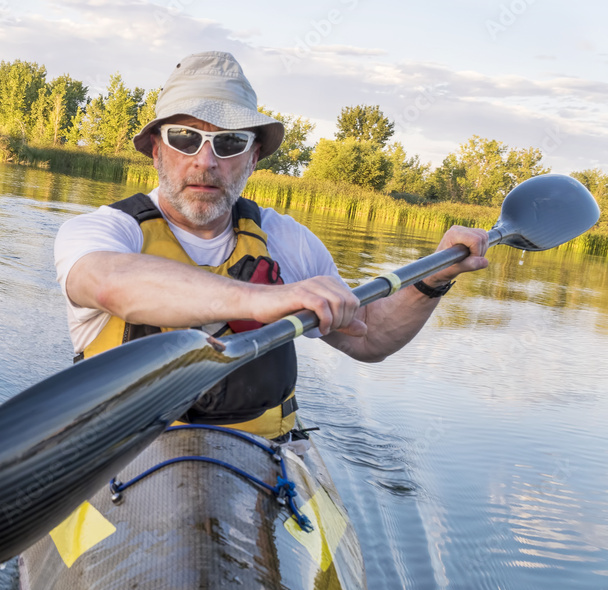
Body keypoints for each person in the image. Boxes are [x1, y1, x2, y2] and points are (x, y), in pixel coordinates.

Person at [54, 51, 489, 439]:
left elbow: (368, 336)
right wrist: (261, 300)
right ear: (155, 150)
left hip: (259, 462)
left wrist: (434, 277)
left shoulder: (289, 241)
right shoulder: (106, 232)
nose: (205, 161)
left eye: (229, 142)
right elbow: (111, 283)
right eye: (184, 138)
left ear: (253, 157)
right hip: (119, 460)